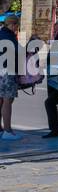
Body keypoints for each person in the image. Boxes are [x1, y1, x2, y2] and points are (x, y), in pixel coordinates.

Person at [0, 13, 21, 141]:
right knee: (8, 100)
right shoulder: (10, 37)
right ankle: (7, 130)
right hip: (8, 70)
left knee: (1, 99)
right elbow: (19, 54)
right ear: (12, 24)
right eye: (16, 25)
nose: (16, 28)